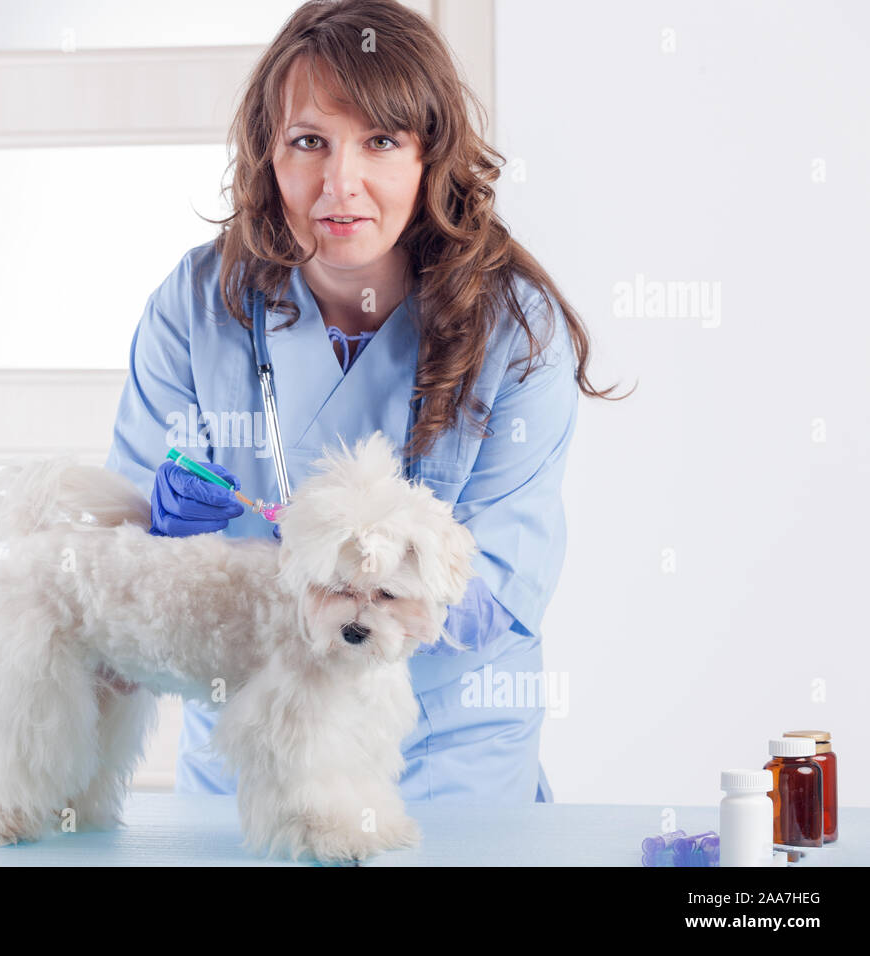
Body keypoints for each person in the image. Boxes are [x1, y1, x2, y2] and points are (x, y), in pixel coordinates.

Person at [104, 0, 626, 803]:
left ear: (429, 156)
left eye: (380, 141)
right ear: (267, 155)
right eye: (308, 141)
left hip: (443, 757)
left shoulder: (516, 331)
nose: (338, 185)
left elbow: (500, 593)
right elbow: (129, 545)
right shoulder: (199, 303)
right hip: (254, 736)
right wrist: (162, 531)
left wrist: (367, 581)